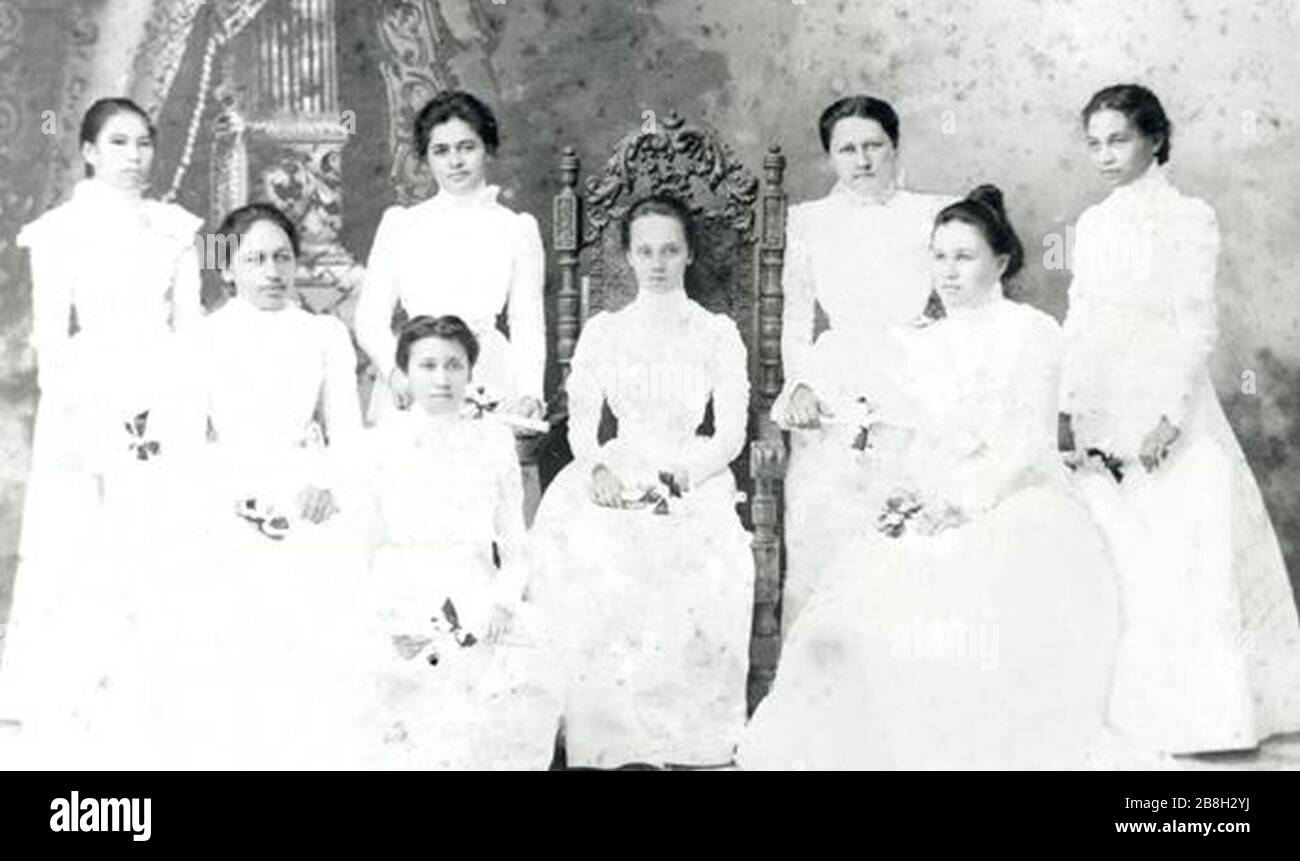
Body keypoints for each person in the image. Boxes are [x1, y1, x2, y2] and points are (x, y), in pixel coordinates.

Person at [740, 186, 1119, 769]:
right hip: (938, 495)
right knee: (871, 599)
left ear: (1002, 260)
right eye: (938, 257)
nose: (948, 272)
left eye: (964, 257)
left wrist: (965, 504)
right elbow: (922, 439)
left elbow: (1027, 441)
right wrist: (914, 497)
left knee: (975, 595)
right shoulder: (922, 343)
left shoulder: (1032, 332)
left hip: (1015, 497)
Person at [1060, 83, 1300, 755]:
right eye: (1095, 142)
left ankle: (1200, 715)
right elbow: (1080, 317)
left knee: (1180, 547)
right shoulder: (1096, 221)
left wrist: (1168, 413)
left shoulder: (1189, 216)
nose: (1106, 155)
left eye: (1120, 139)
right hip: (1101, 396)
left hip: (1166, 393)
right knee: (1117, 545)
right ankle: (1127, 711)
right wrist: (1069, 402)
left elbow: (1195, 322)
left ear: (1156, 139)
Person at [0, 97, 203, 767]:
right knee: (83, 537)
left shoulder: (175, 228)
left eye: (144, 142)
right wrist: (93, 417)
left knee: (157, 531)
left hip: (165, 390)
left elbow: (191, 330)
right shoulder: (58, 232)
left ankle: (159, 695)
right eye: (118, 142)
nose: (135, 155)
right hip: (86, 399)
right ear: (88, 151)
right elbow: (55, 342)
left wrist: (178, 401)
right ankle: (78, 697)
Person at [529, 195, 754, 769]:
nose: (657, 263)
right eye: (645, 251)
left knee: (695, 556)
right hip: (620, 461)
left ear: (689, 255)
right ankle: (611, 731)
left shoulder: (716, 331)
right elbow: (582, 423)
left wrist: (691, 472)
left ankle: (679, 734)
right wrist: (597, 469)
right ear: (628, 257)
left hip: (692, 470)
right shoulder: (605, 330)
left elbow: (730, 433)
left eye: (670, 250)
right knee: (591, 545)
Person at [152, 202, 365, 768]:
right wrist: (224, 502)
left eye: (282, 257)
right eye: (255, 260)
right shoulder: (200, 340)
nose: (272, 272)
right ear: (228, 268)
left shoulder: (325, 335)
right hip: (228, 495)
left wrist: (327, 483)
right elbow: (184, 446)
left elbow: (347, 433)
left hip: (306, 492)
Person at [776, 95, 957, 630]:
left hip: (910, 367)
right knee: (823, 522)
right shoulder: (807, 222)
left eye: (873, 145)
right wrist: (801, 385)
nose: (862, 160)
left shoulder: (931, 214)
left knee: (901, 519)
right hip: (835, 370)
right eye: (847, 149)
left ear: (894, 146)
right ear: (830, 157)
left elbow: (960, 302)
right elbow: (795, 318)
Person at [348, 315, 559, 769]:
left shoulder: (494, 442)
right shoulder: (380, 444)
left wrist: (503, 601)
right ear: (404, 373)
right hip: (400, 589)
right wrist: (383, 615)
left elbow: (516, 545)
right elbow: (363, 546)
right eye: (427, 366)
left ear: (470, 371)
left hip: (475, 589)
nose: (441, 379)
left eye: (453, 365)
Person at [356, 90, 545, 425]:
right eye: (441, 151)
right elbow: (370, 318)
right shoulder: (401, 224)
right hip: (416, 370)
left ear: (487, 149)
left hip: (489, 374)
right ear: (426, 158)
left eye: (466, 147)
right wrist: (395, 371)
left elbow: (527, 322)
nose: (455, 162)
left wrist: (530, 391)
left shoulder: (517, 228)